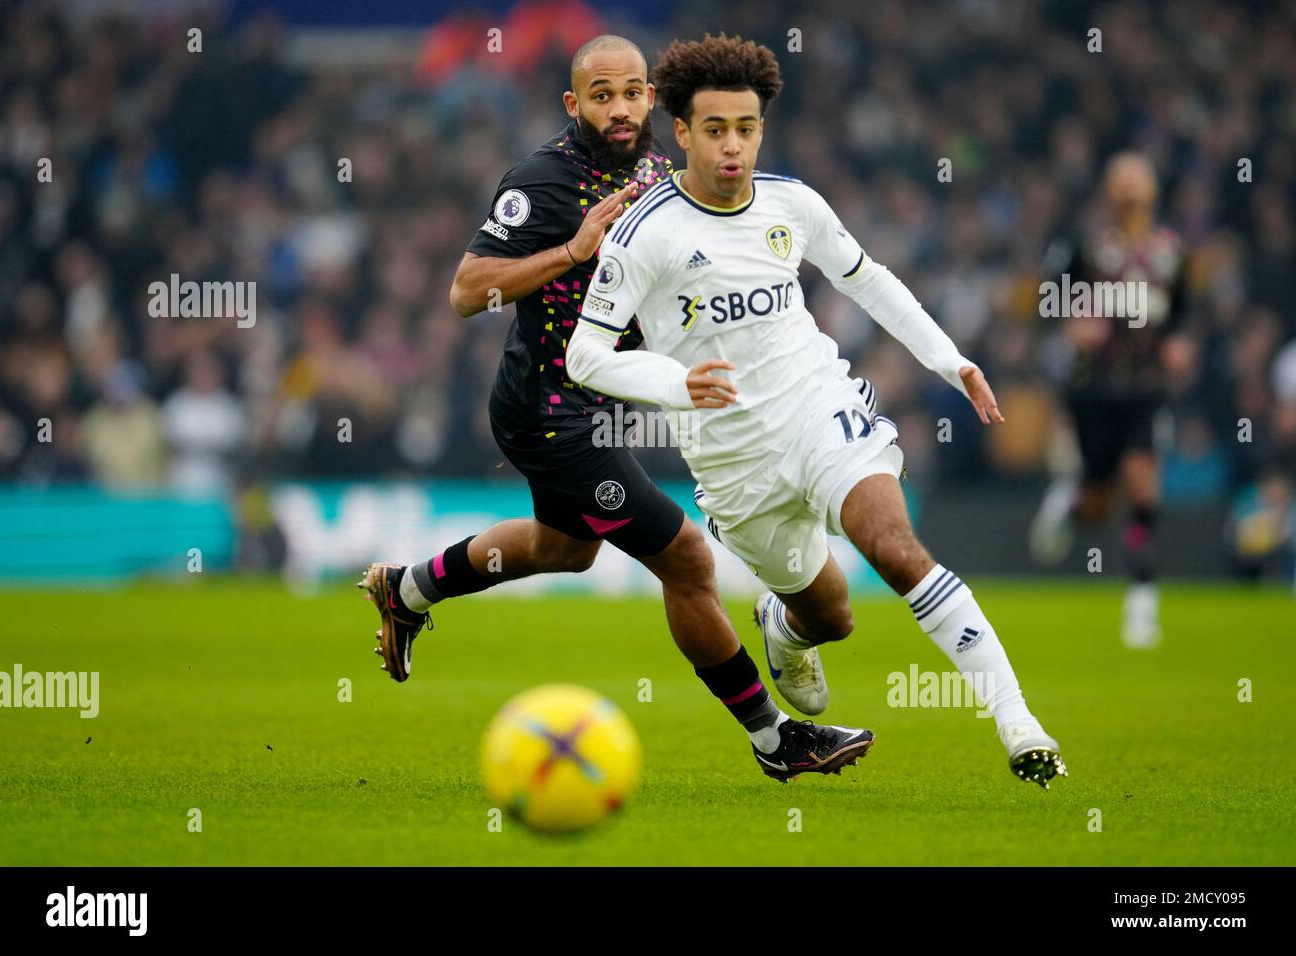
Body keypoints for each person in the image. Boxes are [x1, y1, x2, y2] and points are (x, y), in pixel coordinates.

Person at [360, 34, 876, 782]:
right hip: (550, 410)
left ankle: (406, 587)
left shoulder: (664, 178)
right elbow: (467, 292)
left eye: (634, 91)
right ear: (575, 104)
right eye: (602, 95)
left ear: (654, 100)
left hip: (607, 402)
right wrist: (572, 251)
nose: (621, 106)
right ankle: (776, 740)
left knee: (563, 549)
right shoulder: (541, 181)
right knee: (687, 557)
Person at [566, 33, 1065, 788]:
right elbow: (586, 355)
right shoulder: (645, 234)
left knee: (896, 551)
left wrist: (948, 358)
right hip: (733, 460)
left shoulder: (793, 204)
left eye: (747, 128)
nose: (732, 146)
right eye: (714, 130)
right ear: (682, 132)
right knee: (832, 616)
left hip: (817, 405)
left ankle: (1018, 722)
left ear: (762, 127)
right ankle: (784, 626)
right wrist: (676, 382)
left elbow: (867, 279)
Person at [1030, 152, 1191, 648]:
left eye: (1137, 178)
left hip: (1145, 387)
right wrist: (1071, 319)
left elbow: (1181, 312)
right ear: (1108, 189)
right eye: (1121, 178)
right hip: (1094, 387)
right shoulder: (1086, 244)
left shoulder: (1171, 251)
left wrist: (1179, 342)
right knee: (1101, 502)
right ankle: (1073, 499)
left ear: (1151, 190)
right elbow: (1046, 294)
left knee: (1143, 484)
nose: (1130, 188)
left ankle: (1142, 601)